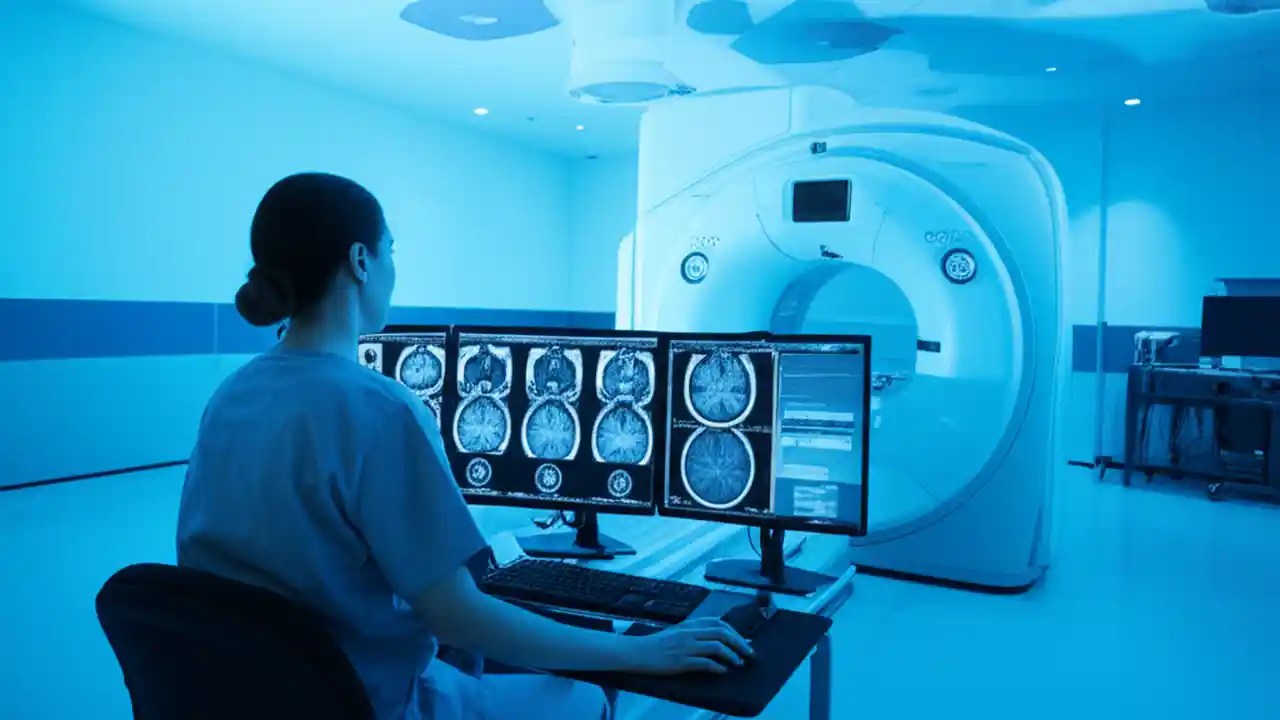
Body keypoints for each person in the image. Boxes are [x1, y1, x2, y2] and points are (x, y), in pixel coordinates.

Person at [176, 172, 753, 720]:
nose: (392, 268)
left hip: (251, 698)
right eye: (390, 251)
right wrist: (640, 651)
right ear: (360, 261)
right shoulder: (380, 409)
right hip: (366, 702)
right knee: (584, 695)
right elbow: (456, 618)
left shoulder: (231, 395)